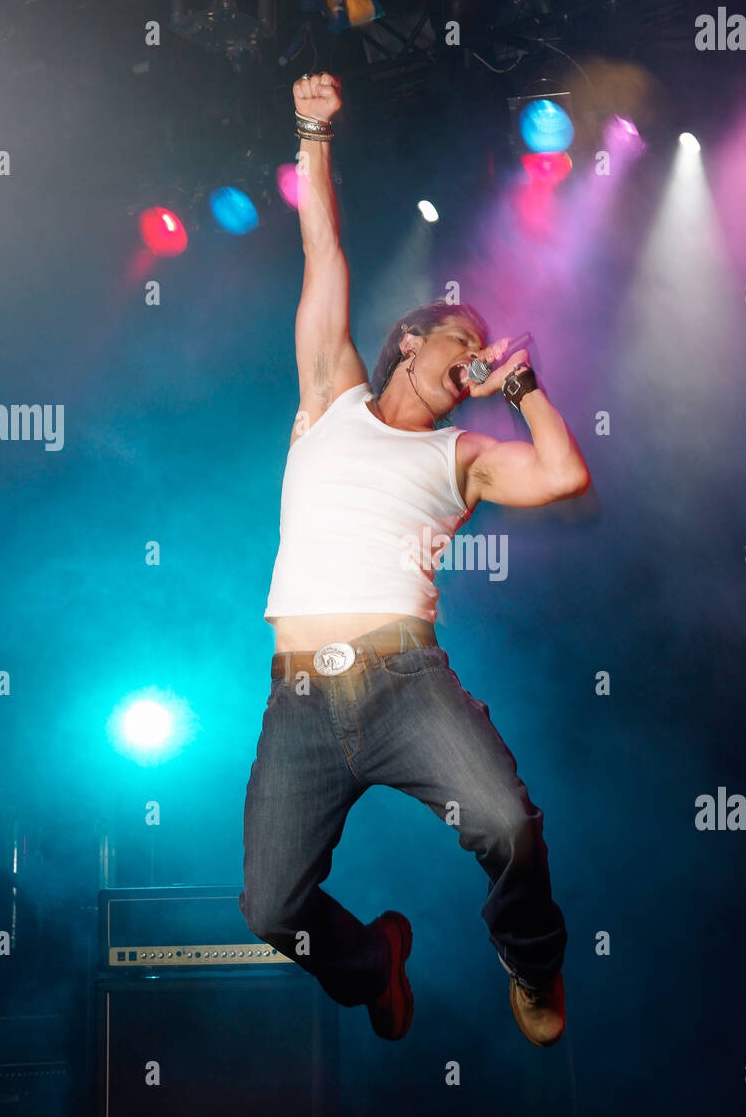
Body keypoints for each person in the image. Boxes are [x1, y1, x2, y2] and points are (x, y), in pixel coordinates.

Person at [240, 72, 591, 1048]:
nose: (472, 361)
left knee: (510, 827)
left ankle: (531, 960)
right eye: (463, 342)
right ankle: (371, 963)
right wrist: (312, 128)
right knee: (269, 909)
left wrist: (520, 386)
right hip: (300, 696)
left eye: (481, 354)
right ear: (411, 341)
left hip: (405, 681)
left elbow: (562, 474)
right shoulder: (332, 396)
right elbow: (322, 248)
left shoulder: (464, 456)